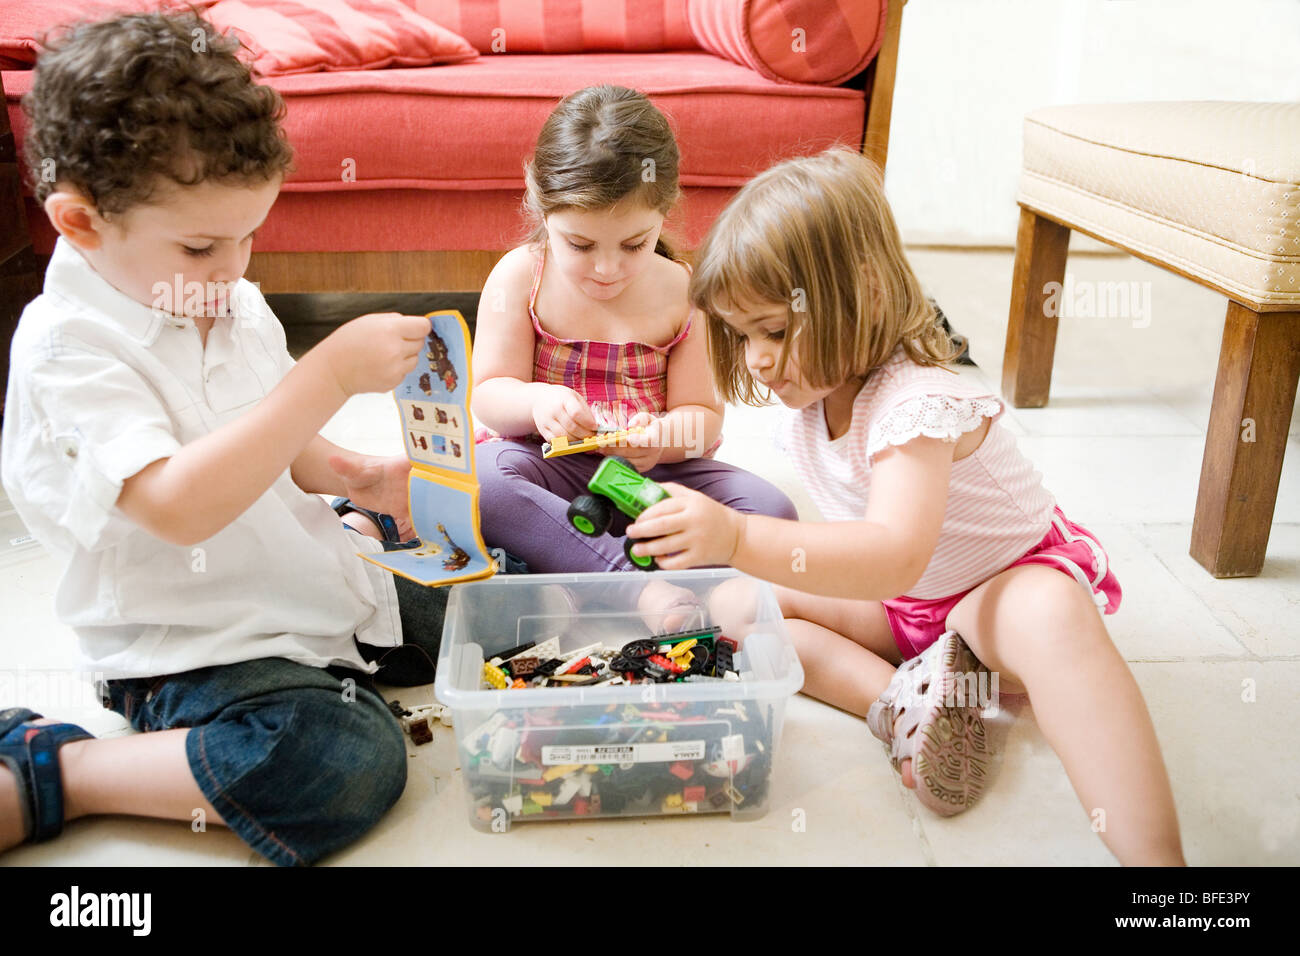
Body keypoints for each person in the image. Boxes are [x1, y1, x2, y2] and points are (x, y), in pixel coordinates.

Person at [624, 147, 1185, 866]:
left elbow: (895, 552)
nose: (756, 358)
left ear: (861, 293)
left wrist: (734, 531)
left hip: (998, 595)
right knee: (738, 607)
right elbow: (877, 573)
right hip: (916, 615)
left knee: (1049, 612)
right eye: (740, 336)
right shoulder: (813, 407)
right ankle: (904, 701)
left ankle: (1163, 874)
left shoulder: (918, 402)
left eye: (772, 329)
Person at [0, 11, 442, 865]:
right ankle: (66, 768)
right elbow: (177, 506)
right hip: (191, 646)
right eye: (204, 244)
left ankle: (345, 635)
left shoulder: (219, 294)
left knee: (490, 598)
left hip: (304, 582)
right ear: (81, 222)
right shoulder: (68, 347)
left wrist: (354, 473)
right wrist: (329, 375)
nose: (236, 267)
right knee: (339, 761)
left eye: (250, 234)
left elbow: (265, 427)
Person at [470, 85, 796, 580]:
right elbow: (489, 393)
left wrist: (661, 440)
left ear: (664, 211)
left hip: (649, 480)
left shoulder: (684, 290)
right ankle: (629, 577)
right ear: (542, 210)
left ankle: (581, 554)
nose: (606, 268)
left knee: (772, 512)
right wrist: (537, 402)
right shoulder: (522, 276)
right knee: (483, 480)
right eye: (579, 244)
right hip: (547, 470)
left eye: (634, 244)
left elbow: (702, 417)